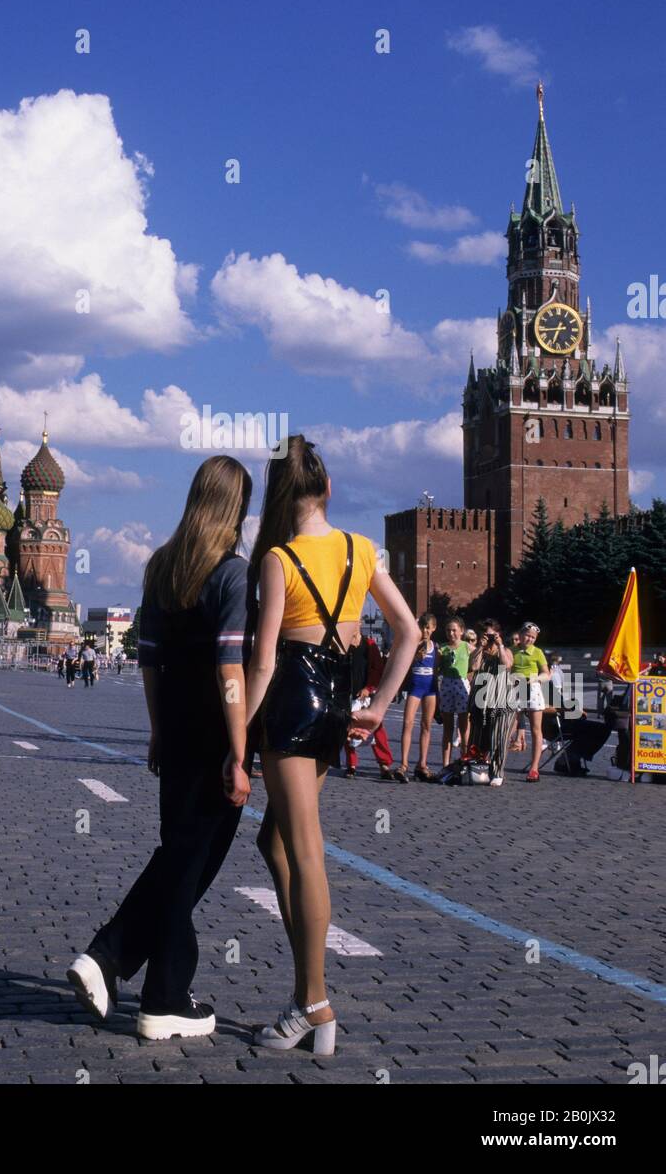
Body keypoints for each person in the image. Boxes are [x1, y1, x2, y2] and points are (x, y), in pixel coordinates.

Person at [67, 456, 254, 1041]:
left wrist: (155, 728)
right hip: (213, 732)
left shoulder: (161, 567)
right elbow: (230, 666)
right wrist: (240, 749)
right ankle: (144, 980)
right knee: (188, 861)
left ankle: (138, 975)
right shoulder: (233, 573)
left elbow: (148, 661)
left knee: (179, 852)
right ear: (237, 507)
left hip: (172, 727)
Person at [245, 436, 418, 1054]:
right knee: (277, 841)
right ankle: (307, 990)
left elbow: (264, 661)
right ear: (327, 490)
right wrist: (379, 707)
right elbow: (410, 632)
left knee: (306, 848)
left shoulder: (278, 559)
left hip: (292, 705)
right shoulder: (362, 549)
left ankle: (313, 1002)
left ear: (279, 494)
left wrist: (240, 733)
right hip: (338, 706)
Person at [466, 619, 514, 786]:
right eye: (486, 634)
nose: (490, 638)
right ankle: (478, 769)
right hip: (481, 702)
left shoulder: (506, 650)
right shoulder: (478, 651)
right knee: (478, 738)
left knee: (498, 738)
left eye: (492, 635)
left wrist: (499, 645)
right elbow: (473, 666)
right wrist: (480, 646)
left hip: (502, 702)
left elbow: (507, 665)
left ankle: (498, 772)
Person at [344, 629, 394, 780]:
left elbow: (377, 668)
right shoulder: (343, 643)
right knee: (347, 729)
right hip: (347, 692)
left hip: (365, 694)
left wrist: (369, 688)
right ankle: (351, 764)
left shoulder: (369, 644)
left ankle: (384, 764)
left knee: (377, 729)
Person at [395, 612, 439, 782]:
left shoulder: (436, 647)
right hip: (415, 688)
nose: (425, 631)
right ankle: (404, 764)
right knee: (407, 723)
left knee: (426, 725)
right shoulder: (413, 644)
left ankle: (422, 764)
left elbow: (438, 668)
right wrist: (414, 656)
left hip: (430, 689)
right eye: (423, 627)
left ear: (434, 628)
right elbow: (401, 661)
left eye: (428, 628)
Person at [512, 621, 550, 783]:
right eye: (527, 635)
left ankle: (534, 768)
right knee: (509, 727)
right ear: (520, 636)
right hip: (515, 688)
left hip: (533, 688)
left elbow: (546, 673)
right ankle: (497, 762)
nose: (529, 639)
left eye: (533, 637)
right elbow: (505, 668)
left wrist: (535, 679)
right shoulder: (512, 651)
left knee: (536, 729)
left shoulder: (538, 652)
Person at [438, 617, 471, 766]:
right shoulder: (442, 648)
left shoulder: (467, 647)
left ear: (461, 631)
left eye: (454, 630)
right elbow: (436, 668)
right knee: (448, 727)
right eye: (448, 630)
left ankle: (465, 759)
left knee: (464, 727)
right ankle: (446, 763)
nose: (451, 633)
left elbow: (477, 664)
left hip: (462, 684)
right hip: (446, 685)